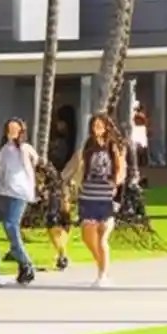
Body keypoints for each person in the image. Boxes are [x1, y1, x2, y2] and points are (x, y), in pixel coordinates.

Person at [69, 113, 127, 287]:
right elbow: (79, 166)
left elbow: (120, 171)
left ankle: (102, 274)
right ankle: (102, 264)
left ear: (107, 127)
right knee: (87, 235)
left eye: (100, 125)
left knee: (102, 236)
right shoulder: (88, 145)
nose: (97, 129)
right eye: (94, 126)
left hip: (106, 196)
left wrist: (116, 190)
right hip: (88, 194)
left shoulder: (113, 146)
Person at [0, 117, 39, 285]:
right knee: (8, 228)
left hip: (20, 193)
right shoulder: (4, 150)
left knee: (11, 225)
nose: (13, 132)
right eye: (10, 128)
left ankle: (26, 262)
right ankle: (21, 263)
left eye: (16, 129)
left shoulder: (25, 148)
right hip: (5, 192)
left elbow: (35, 160)